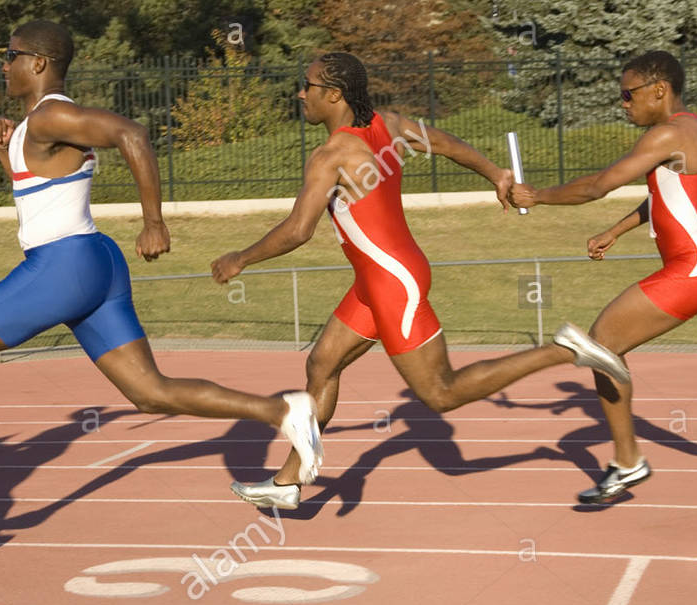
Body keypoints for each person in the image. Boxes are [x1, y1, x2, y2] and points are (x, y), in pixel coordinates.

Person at [0, 20, 321, 514]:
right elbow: (42, 192)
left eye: (10, 55)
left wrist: (153, 221)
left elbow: (132, 134)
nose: (3, 66)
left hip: (63, 265)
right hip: (94, 261)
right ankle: (283, 409)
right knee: (150, 392)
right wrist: (4, 151)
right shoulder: (37, 123)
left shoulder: (48, 118)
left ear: (37, 63)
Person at [210, 52, 631, 509]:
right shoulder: (387, 125)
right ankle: (289, 482)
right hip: (376, 280)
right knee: (321, 364)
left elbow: (298, 229)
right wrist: (496, 174)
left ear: (333, 95)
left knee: (441, 393)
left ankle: (564, 349)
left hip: (393, 280)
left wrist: (241, 257)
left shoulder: (330, 156)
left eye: (306, 85)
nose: (300, 93)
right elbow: (444, 143)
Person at [509, 50, 697, 504]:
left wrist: (539, 195)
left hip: (695, 268)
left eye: (628, 94)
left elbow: (597, 185)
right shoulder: (694, 127)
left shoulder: (667, 134)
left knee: (603, 344)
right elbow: (664, 197)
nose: (622, 104)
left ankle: (628, 463)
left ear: (658, 90)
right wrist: (616, 230)